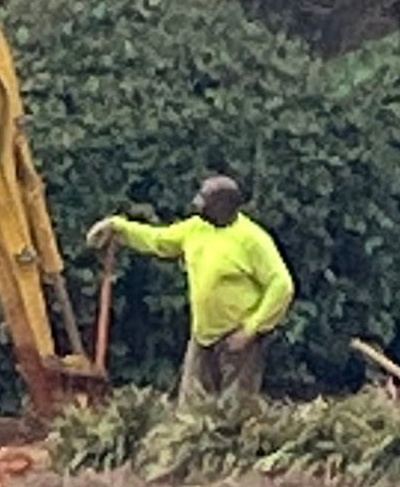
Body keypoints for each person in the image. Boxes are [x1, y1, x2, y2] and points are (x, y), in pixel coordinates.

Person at [90, 173, 295, 407]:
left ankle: (231, 443)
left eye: (205, 201)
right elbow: (159, 240)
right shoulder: (195, 228)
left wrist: (251, 329)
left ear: (224, 206)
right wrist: (118, 228)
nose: (198, 206)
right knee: (191, 407)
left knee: (235, 410)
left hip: (238, 339)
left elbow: (282, 285)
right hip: (202, 335)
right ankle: (189, 442)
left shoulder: (252, 239)